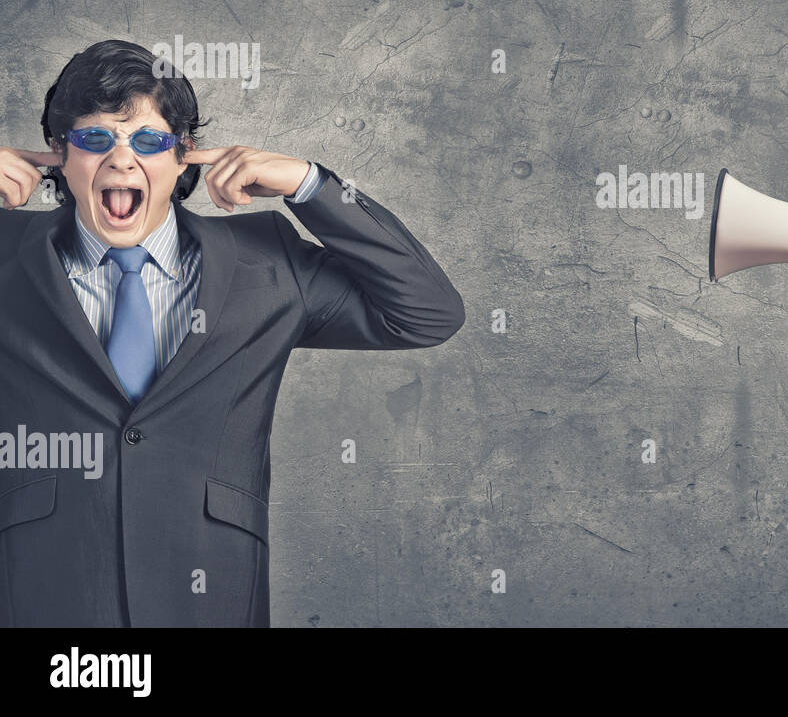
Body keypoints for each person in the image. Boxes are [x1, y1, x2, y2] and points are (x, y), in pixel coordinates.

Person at [0, 39, 465, 626]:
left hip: (211, 594)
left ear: (183, 156)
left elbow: (426, 313)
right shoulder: (6, 254)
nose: (122, 162)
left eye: (148, 141)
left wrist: (310, 185)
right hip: (47, 596)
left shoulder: (266, 262)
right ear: (59, 154)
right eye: (95, 140)